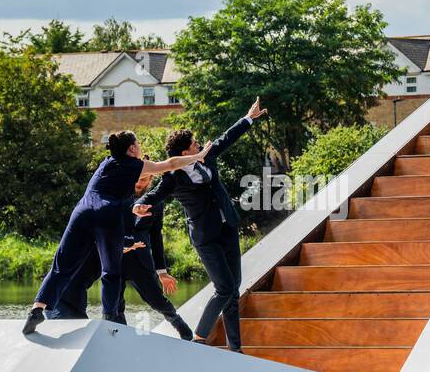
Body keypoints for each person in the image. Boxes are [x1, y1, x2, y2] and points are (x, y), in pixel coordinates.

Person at [23, 130, 210, 336]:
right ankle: (110, 319)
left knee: (60, 267)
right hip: (107, 214)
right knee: (111, 272)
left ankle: (36, 310)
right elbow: (171, 164)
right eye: (138, 145)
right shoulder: (135, 164)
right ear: (131, 149)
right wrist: (197, 156)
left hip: (82, 212)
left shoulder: (106, 163)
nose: (140, 148)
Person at [138, 96, 268, 351]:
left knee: (234, 290)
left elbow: (226, 138)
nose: (200, 144)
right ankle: (199, 337)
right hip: (205, 237)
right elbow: (154, 195)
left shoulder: (206, 157)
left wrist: (248, 118)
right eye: (195, 143)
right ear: (185, 152)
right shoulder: (173, 177)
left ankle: (235, 347)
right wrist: (138, 204)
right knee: (224, 287)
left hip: (227, 227)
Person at [49, 172, 193, 340]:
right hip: (113, 257)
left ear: (150, 181)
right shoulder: (117, 196)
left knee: (156, 299)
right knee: (114, 303)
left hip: (139, 262)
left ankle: (179, 324)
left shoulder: (157, 203)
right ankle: (117, 338)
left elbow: (156, 237)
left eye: (145, 180)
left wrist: (162, 271)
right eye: (138, 179)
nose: (140, 183)